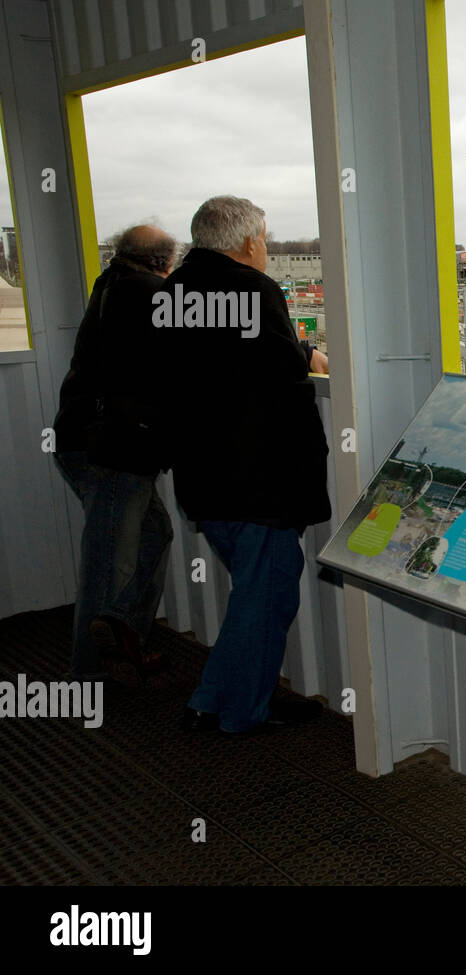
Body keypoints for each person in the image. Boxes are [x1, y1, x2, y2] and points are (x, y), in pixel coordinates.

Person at [157, 196, 330, 734]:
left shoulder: (172, 293)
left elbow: (220, 357)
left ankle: (224, 697)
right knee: (267, 596)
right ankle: (233, 712)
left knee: (254, 593)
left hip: (204, 477)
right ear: (251, 241)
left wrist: (296, 353)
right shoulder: (253, 289)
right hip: (258, 482)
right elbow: (276, 375)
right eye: (264, 238)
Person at [53, 225, 178, 678]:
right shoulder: (147, 293)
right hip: (113, 450)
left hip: (92, 442)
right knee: (109, 564)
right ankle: (90, 672)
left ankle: (123, 637)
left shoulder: (112, 284)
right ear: (166, 260)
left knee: (152, 535)